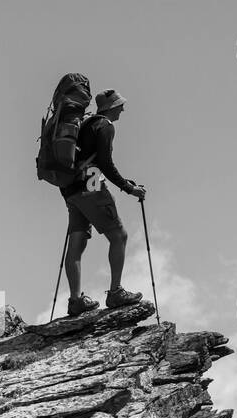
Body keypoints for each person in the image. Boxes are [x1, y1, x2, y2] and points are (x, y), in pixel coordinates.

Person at [61, 89, 147, 315]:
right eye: (120, 104)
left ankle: (75, 300)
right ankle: (116, 292)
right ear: (111, 107)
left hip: (70, 188)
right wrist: (129, 188)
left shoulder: (86, 124)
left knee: (77, 242)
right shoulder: (106, 126)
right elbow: (105, 164)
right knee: (119, 235)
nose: (123, 108)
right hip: (90, 182)